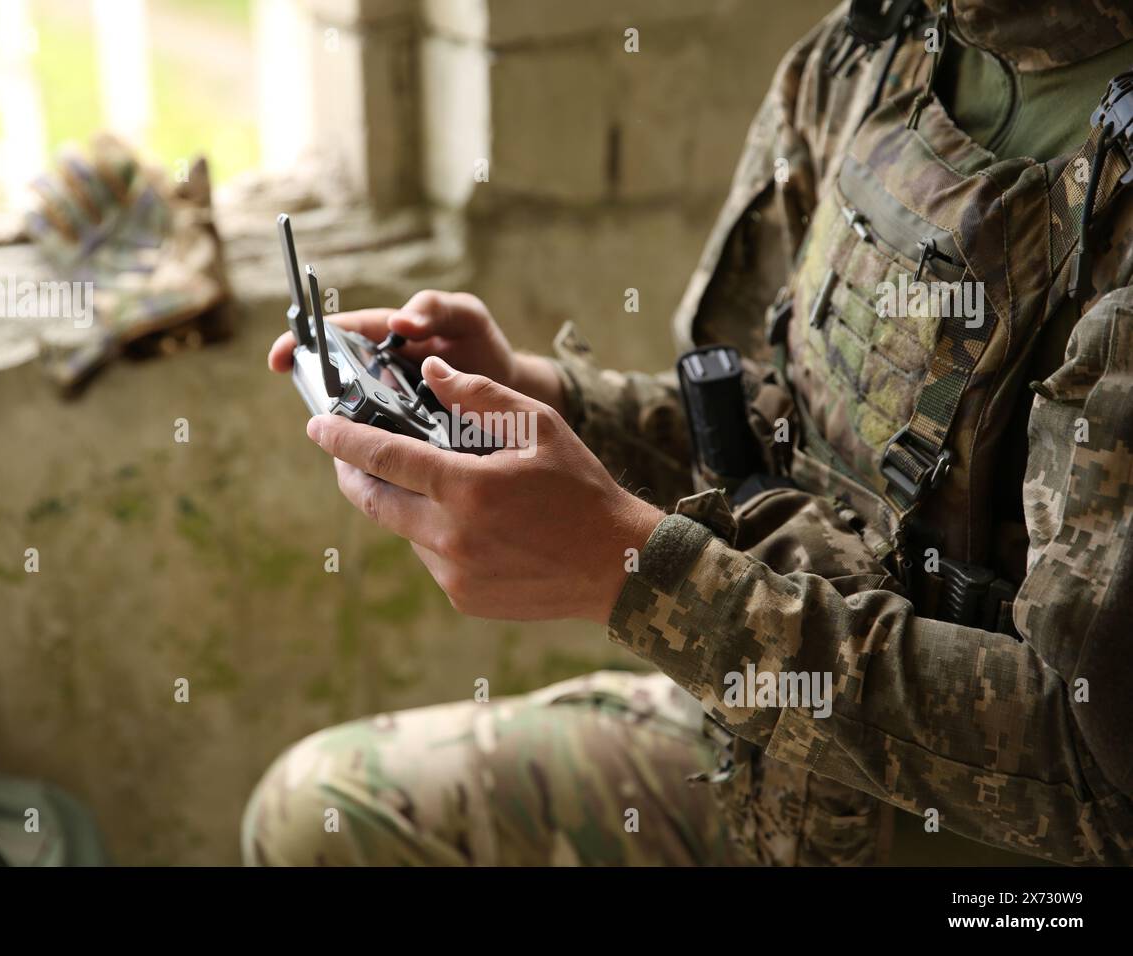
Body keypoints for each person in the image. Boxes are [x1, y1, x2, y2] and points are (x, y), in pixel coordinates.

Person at [243, 0, 1133, 865]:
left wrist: (632, 572)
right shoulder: (880, 47)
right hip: (768, 768)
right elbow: (763, 430)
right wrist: (542, 402)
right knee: (321, 812)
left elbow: (1096, 769)